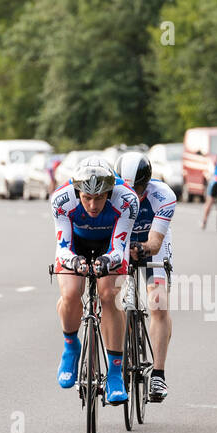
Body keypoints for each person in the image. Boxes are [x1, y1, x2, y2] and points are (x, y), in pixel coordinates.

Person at [52, 157, 139, 405]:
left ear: (110, 193)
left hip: (110, 244)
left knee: (109, 294)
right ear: (77, 192)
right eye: (87, 198)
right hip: (75, 244)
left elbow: (120, 246)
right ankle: (71, 347)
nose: (92, 205)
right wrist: (76, 263)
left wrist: (105, 262)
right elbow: (63, 246)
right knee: (70, 292)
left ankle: (114, 373)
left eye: (99, 198)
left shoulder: (126, 199)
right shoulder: (62, 199)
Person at [117, 152, 175, 402]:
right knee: (108, 296)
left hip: (152, 243)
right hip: (120, 243)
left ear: (147, 182)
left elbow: (155, 240)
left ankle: (159, 374)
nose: (133, 193)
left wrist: (142, 249)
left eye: (138, 187)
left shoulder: (163, 196)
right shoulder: (110, 195)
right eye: (128, 187)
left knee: (158, 302)